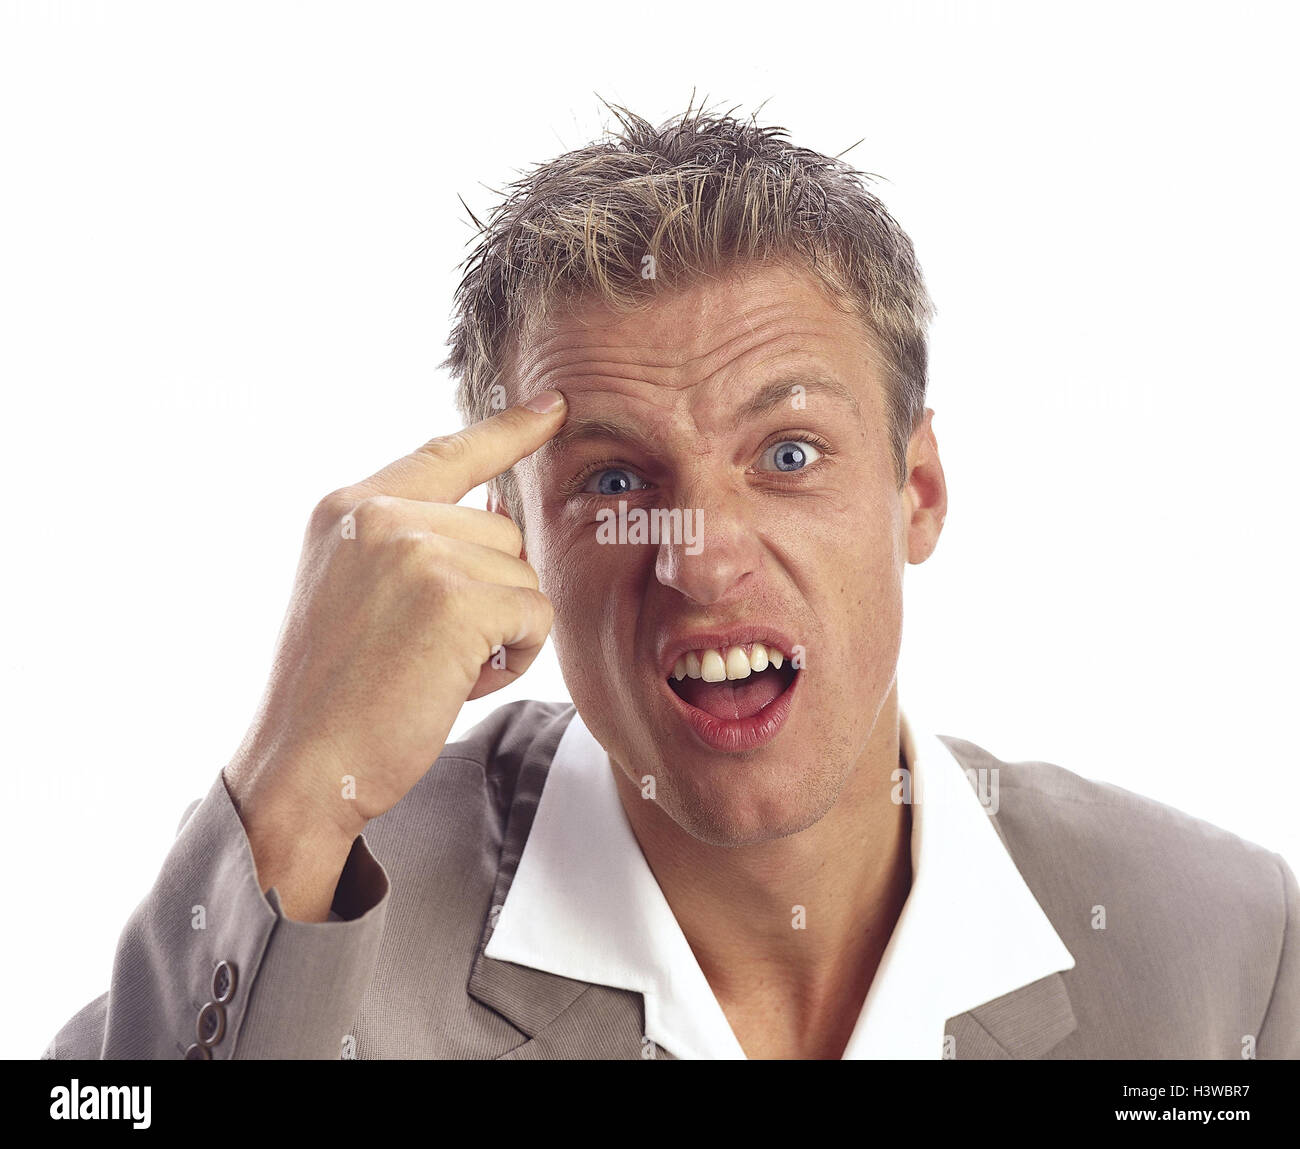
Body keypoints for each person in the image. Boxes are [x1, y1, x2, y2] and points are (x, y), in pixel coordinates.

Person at [44, 102, 1297, 1060]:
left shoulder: (1226, 944)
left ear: (916, 492)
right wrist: (291, 776)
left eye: (789, 454)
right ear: (511, 539)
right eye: (614, 482)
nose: (700, 559)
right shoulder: (313, 896)